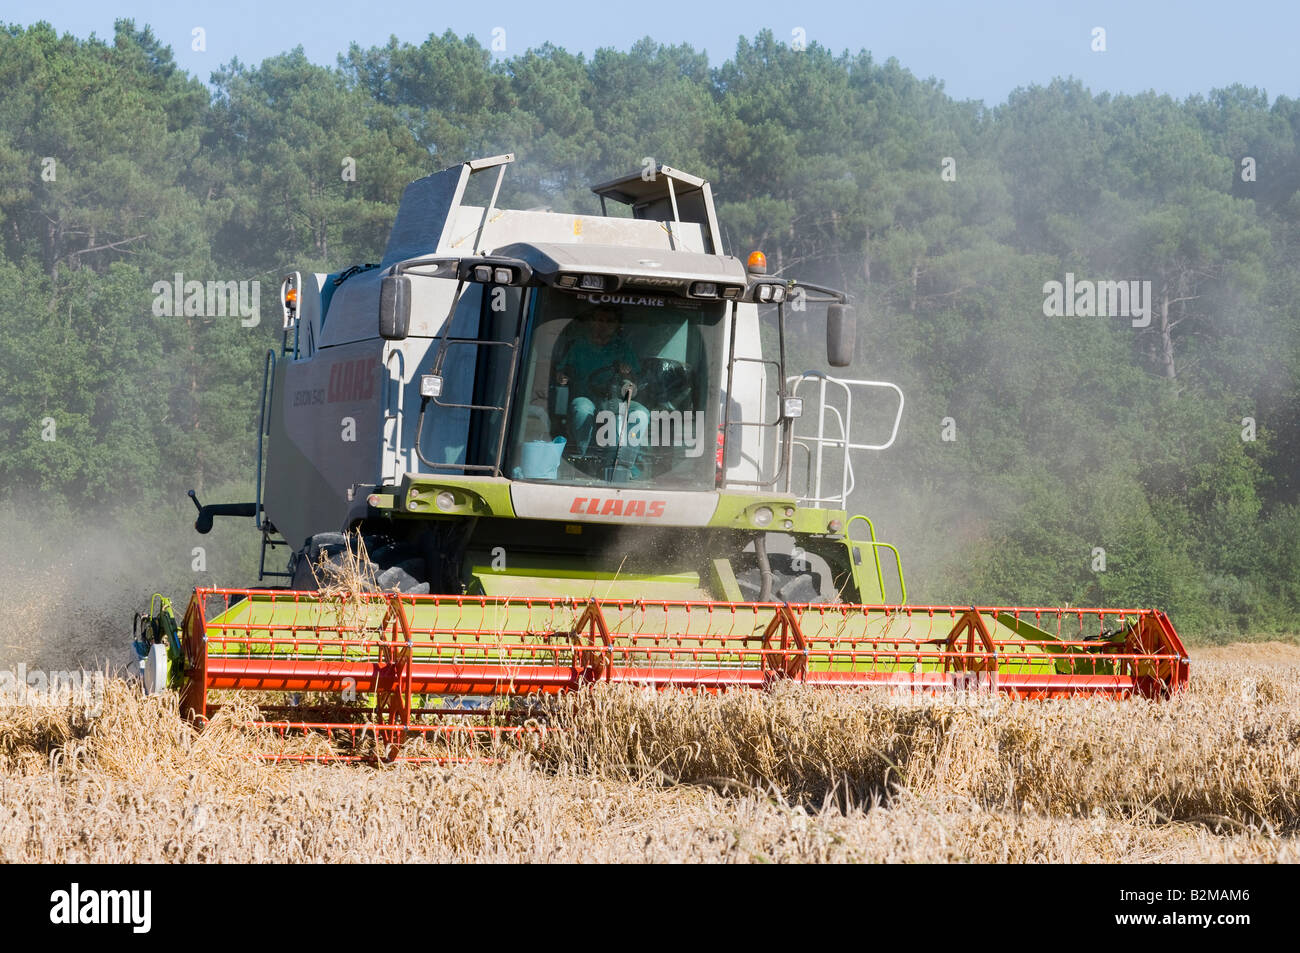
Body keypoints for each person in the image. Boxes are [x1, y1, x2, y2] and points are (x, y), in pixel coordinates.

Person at [553, 306, 648, 471]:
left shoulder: (623, 348)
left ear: (617, 325)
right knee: (582, 409)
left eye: (609, 321)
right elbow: (561, 371)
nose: (603, 325)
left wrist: (628, 383)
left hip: (617, 400)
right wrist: (561, 377)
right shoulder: (578, 346)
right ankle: (587, 458)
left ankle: (625, 464)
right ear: (591, 323)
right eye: (599, 320)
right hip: (587, 397)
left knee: (641, 414)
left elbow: (634, 380)